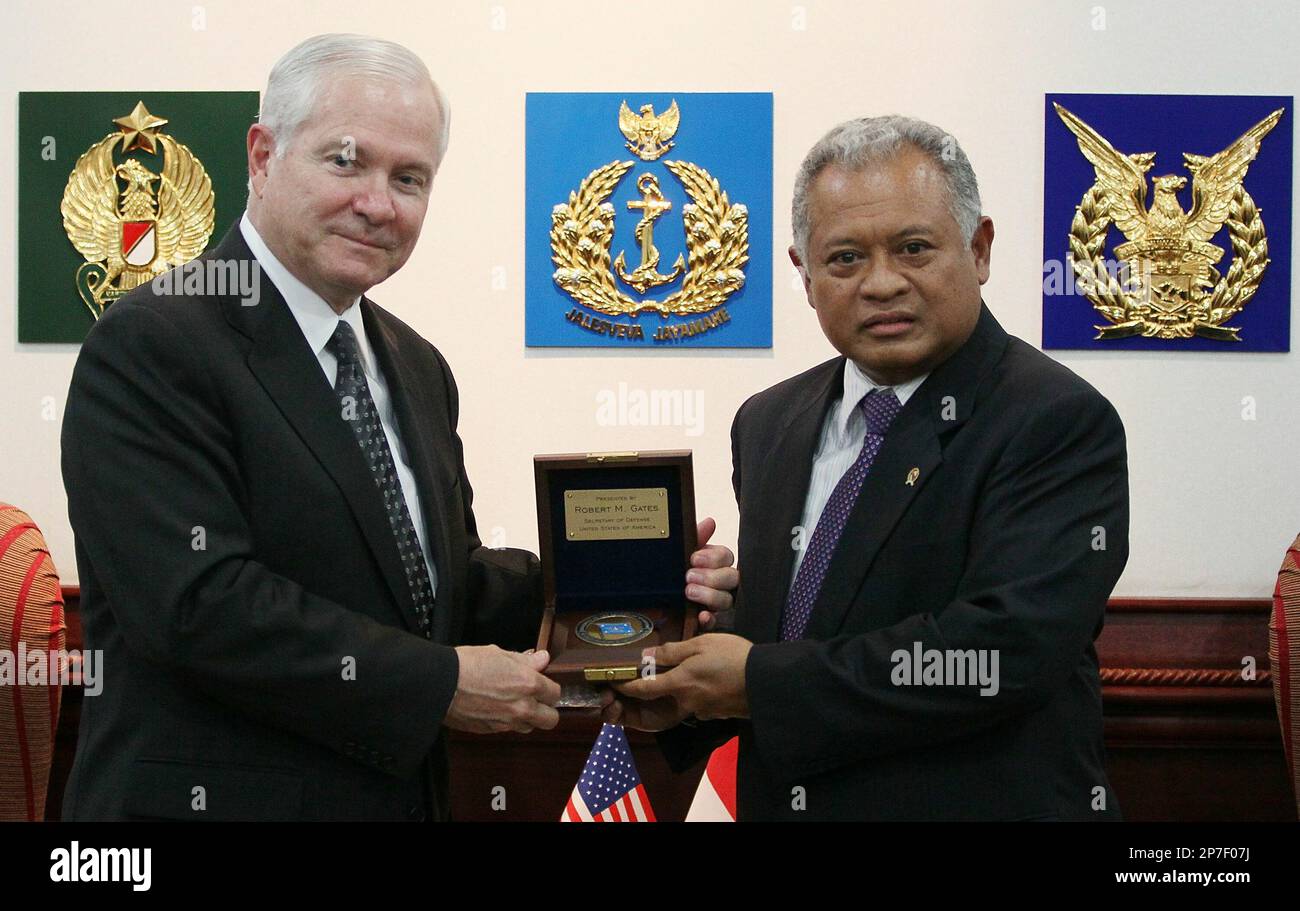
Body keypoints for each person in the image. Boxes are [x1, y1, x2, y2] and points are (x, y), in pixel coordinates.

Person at [59, 33, 736, 821]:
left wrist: (632, 582)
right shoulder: (154, 341)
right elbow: (199, 607)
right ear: (263, 156)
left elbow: (441, 587)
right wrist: (441, 684)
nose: (378, 203)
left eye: (409, 178)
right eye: (346, 162)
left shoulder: (416, 365)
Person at [609, 115, 1129, 821]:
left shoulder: (1055, 419)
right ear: (804, 273)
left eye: (914, 248)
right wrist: (687, 671)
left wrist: (757, 683)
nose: (881, 284)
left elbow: (1000, 654)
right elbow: (799, 626)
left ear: (979, 249)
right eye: (845, 258)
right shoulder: (767, 421)